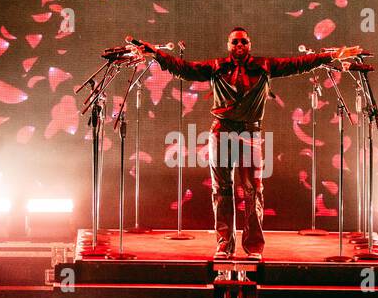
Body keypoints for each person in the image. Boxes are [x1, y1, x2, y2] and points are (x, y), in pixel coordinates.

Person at [133, 27, 363, 258]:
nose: (239, 45)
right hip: (222, 131)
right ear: (229, 45)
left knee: (254, 192)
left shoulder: (264, 66)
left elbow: (299, 63)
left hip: (250, 135)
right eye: (234, 42)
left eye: (243, 41)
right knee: (222, 191)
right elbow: (185, 69)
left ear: (249, 44)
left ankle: (253, 247)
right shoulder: (216, 67)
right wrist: (156, 53)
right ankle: (224, 244)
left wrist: (331, 56)